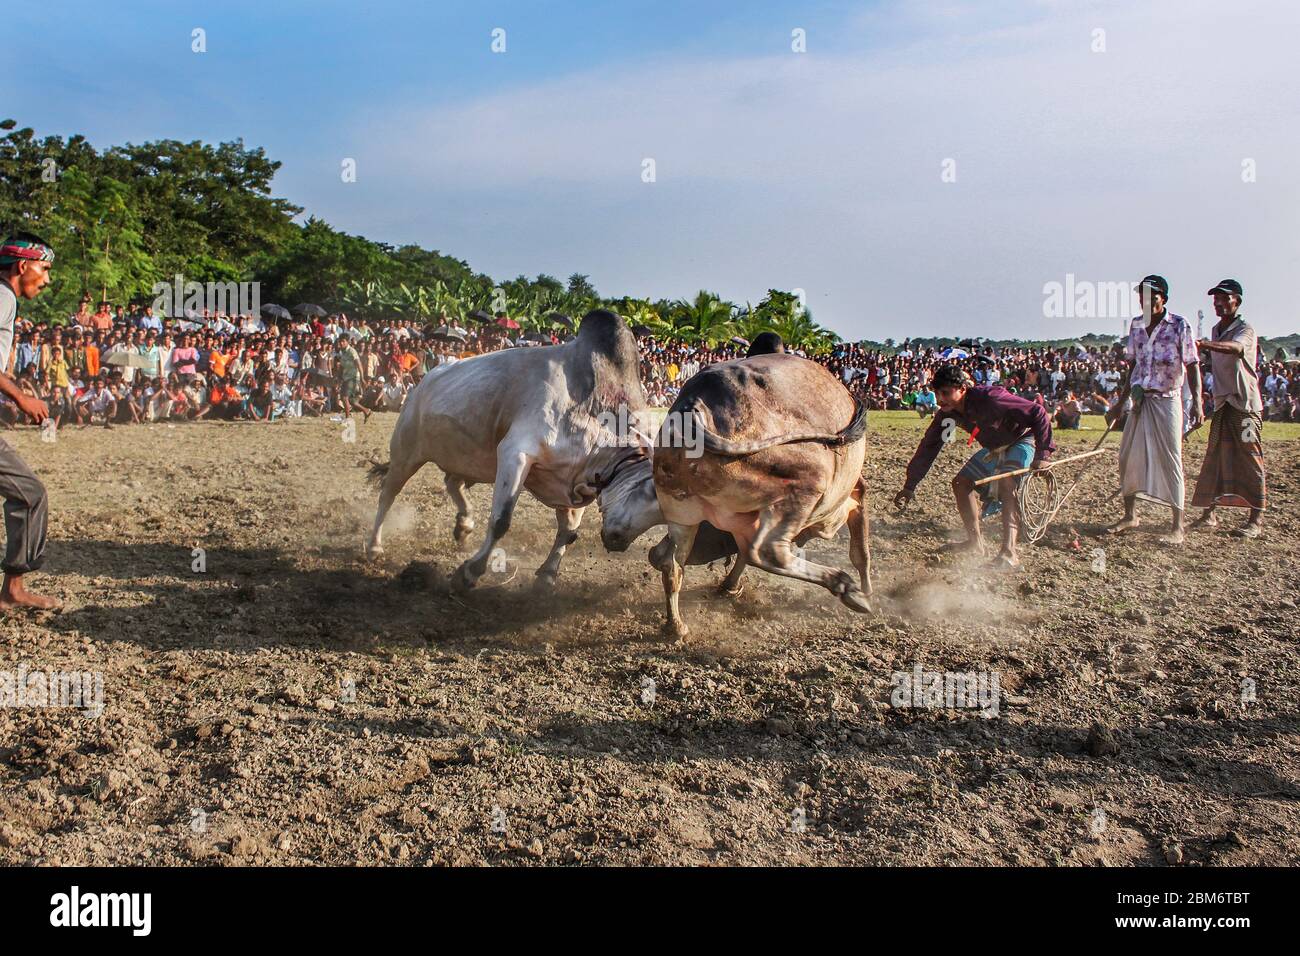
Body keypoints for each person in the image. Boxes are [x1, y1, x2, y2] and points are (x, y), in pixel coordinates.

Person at [893, 363, 1055, 569]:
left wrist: (1043, 454)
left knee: (1007, 484)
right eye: (937, 393)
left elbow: (1038, 412)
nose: (940, 399)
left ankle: (1009, 553)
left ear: (962, 389)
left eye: (946, 392)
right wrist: (910, 484)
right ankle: (975, 543)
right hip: (995, 448)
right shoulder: (947, 414)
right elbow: (930, 446)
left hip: (1022, 439)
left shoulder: (990, 398)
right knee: (961, 483)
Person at [1107, 275, 1203, 544]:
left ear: (1163, 298)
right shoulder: (1137, 326)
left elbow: (1192, 364)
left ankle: (1177, 525)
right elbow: (1132, 367)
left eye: (1152, 296)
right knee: (1127, 455)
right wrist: (1119, 403)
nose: (1146, 300)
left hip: (1167, 399)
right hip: (1140, 400)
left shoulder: (1179, 325)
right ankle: (1131, 515)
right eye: (1142, 295)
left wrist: (1197, 400)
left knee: (1171, 457)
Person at [0, 233, 60, 611]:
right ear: (23, 266)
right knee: (30, 494)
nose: (47, 279)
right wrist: (20, 397)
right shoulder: (3, 296)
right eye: (45, 269)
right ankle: (13, 589)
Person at [1190, 279, 1266, 538]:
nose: (1219, 303)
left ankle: (1256, 518)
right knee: (1215, 456)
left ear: (1237, 301)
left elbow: (1235, 349)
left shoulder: (1245, 329)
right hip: (1223, 404)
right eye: (1216, 300)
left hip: (1245, 406)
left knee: (1249, 456)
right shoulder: (1215, 329)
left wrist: (1205, 346)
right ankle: (1209, 513)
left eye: (1224, 299)